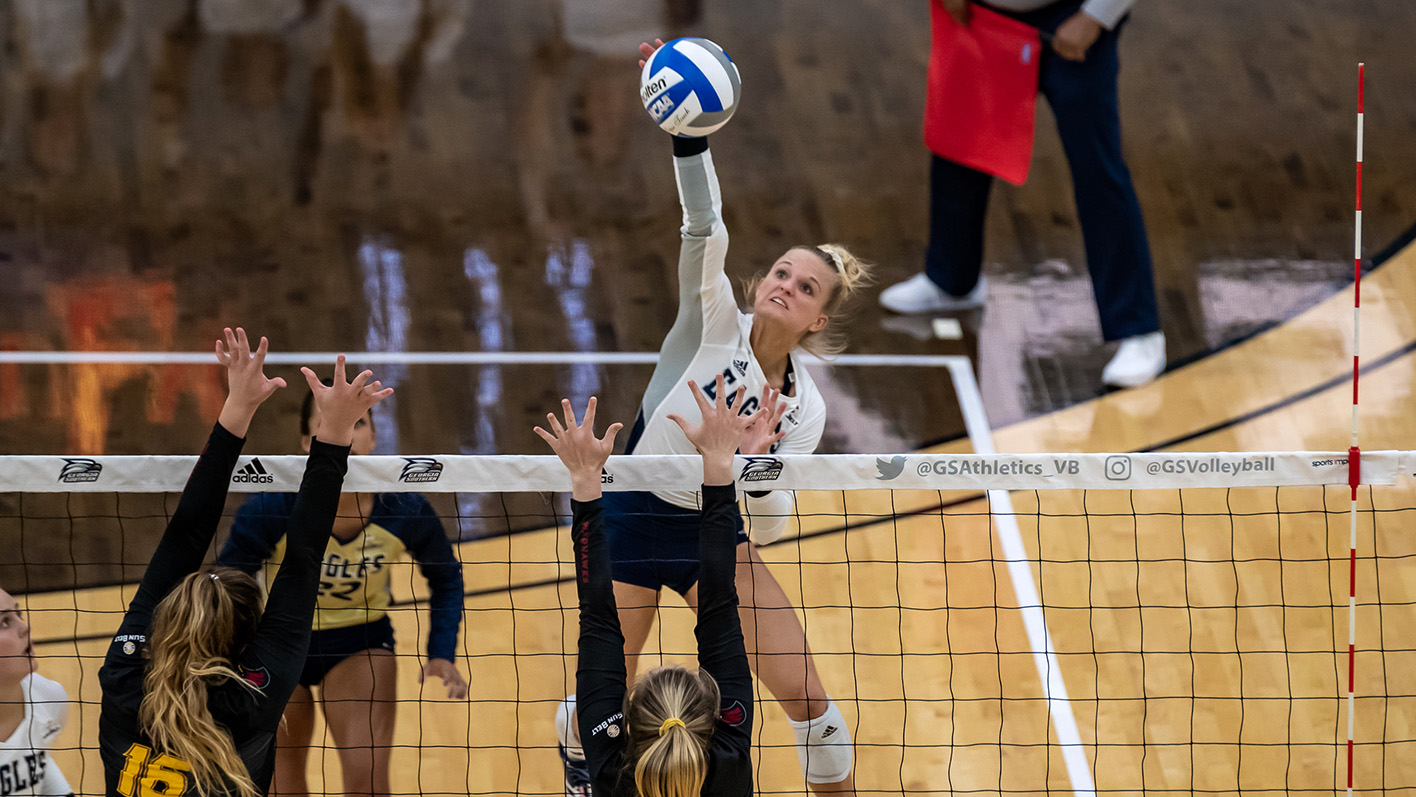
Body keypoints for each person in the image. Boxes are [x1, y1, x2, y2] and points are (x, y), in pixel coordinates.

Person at [555, 39, 869, 796]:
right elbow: (703, 223)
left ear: (819, 320)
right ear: (760, 283)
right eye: (783, 272)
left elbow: (770, 525)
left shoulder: (802, 408)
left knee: (817, 710)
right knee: (591, 714)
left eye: (807, 287)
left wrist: (754, 468)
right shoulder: (712, 318)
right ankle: (579, 780)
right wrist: (686, 137)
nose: (787, 285)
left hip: (712, 535)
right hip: (631, 514)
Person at [98, 329, 393, 797]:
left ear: (165, 623)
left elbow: (294, 559)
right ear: (242, 649)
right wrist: (253, 410)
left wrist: (319, 430)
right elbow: (291, 557)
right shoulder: (235, 698)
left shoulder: (131, 675)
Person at [879, 0, 1166, 389]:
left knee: (1097, 170)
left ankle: (1139, 330)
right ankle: (952, 281)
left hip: (1074, 19)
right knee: (959, 145)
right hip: (982, 15)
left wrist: (1096, 17)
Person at [217, 381, 467, 797]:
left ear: (374, 436)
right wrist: (227, 653)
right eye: (327, 422)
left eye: (358, 422)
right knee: (279, 787)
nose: (346, 433)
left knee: (368, 785)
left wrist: (441, 650)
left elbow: (446, 577)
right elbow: (228, 584)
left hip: (359, 643)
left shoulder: (403, 508)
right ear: (306, 442)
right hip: (277, 646)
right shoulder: (273, 506)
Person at [537, 384, 754, 796]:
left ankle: (574, 775)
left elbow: (719, 607)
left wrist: (717, 462)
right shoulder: (612, 765)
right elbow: (599, 616)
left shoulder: (730, 755)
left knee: (574, 716)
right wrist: (585, 482)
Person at [0, 588, 74, 797]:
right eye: (4, 622)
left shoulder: (49, 698)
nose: (25, 627)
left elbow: (35, 763)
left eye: (18, 614)